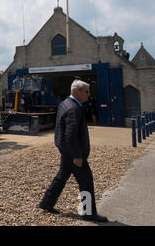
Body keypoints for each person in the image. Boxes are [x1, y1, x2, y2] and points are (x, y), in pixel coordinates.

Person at [39, 80, 108, 223]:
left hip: (66, 150)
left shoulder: (65, 103)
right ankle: (89, 213)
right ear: (77, 91)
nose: (89, 95)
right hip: (73, 153)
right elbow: (70, 135)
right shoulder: (73, 108)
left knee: (62, 177)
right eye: (87, 92)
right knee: (86, 181)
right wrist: (77, 156)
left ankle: (47, 203)